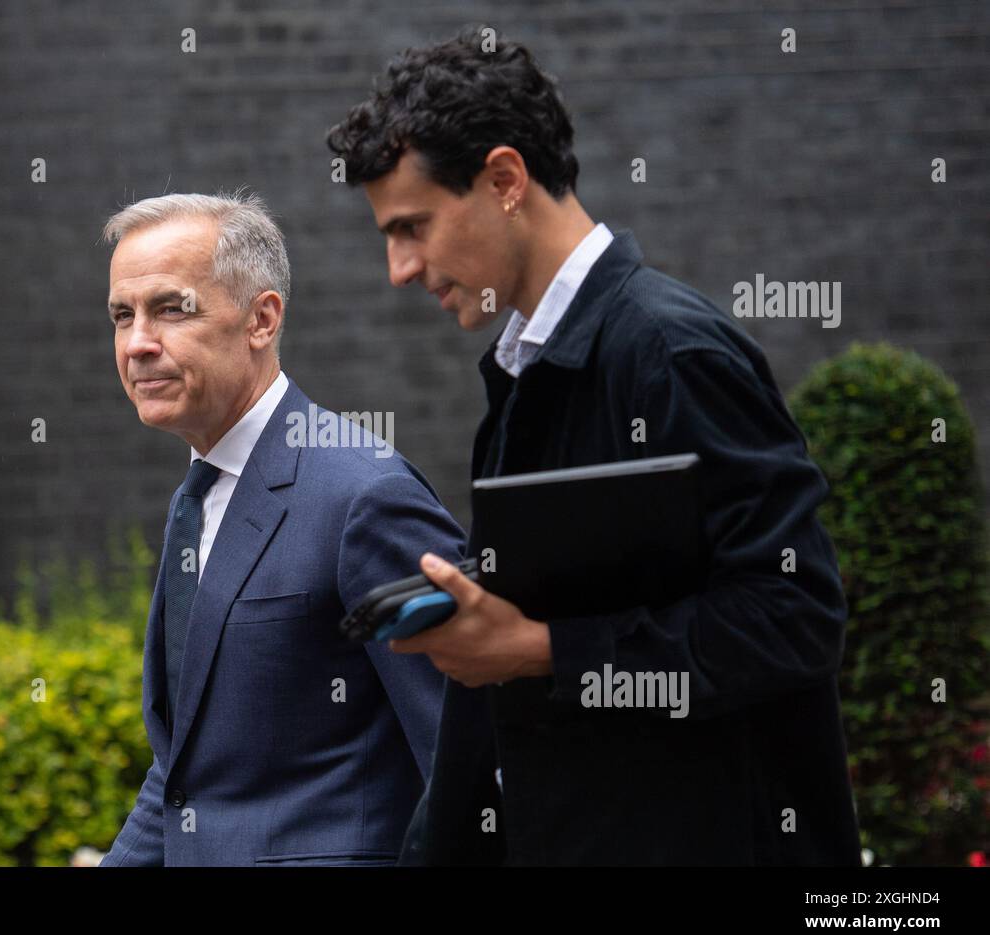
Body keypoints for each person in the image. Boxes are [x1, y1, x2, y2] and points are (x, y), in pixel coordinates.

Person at [326, 27, 861, 865]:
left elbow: (795, 617)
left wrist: (537, 649)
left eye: (414, 226)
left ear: (504, 179)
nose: (399, 267)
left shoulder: (672, 352)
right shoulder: (526, 370)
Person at [96, 191, 463, 866]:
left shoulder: (366, 497)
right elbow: (185, 775)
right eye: (123, 316)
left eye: (172, 308)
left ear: (261, 320)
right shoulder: (198, 495)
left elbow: (462, 761)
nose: (139, 343)